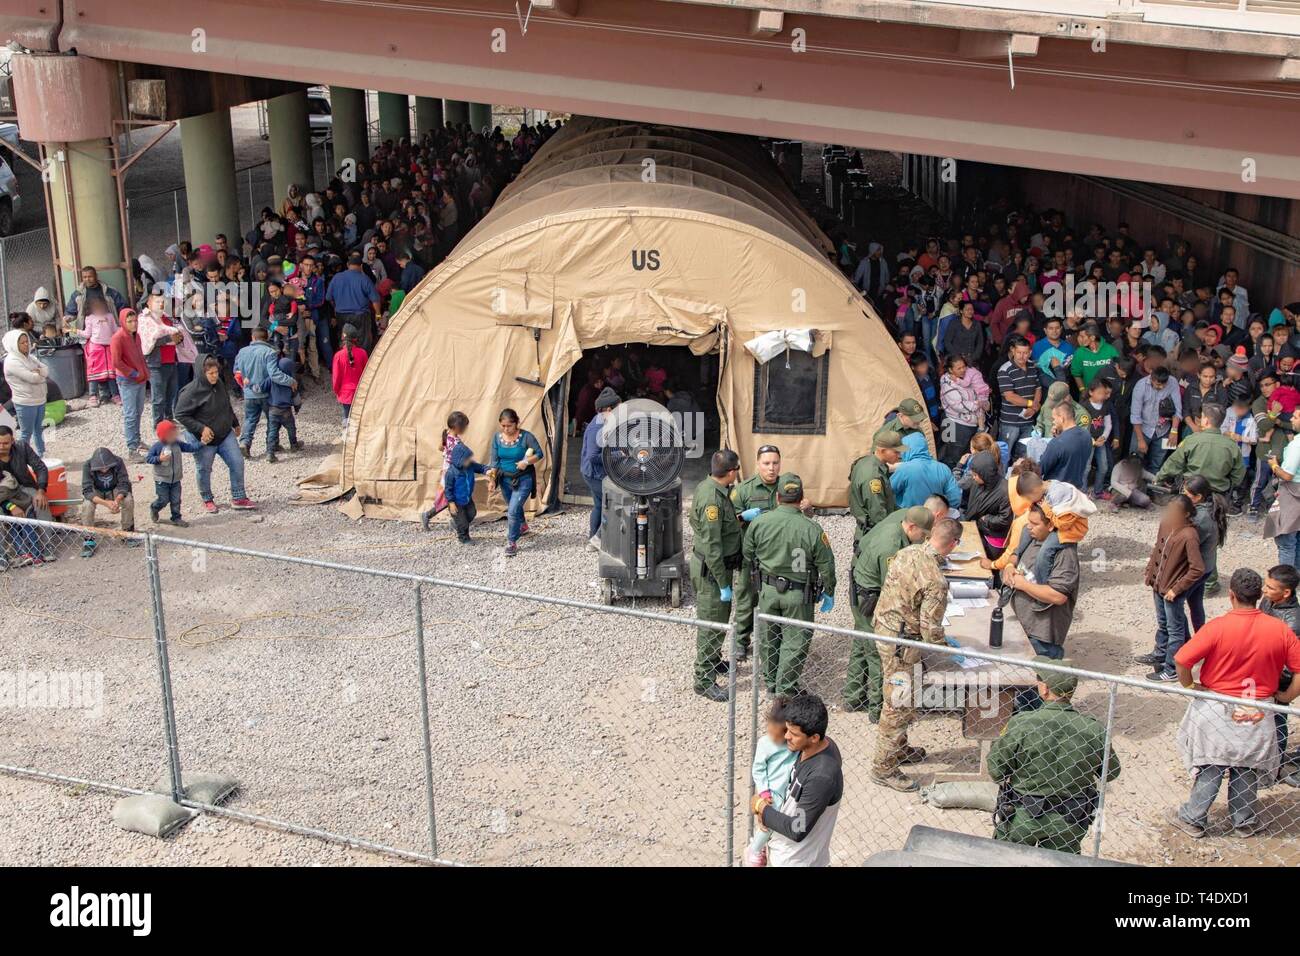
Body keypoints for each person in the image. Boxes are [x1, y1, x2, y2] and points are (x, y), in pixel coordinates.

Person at [1169, 569, 1300, 838]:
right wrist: (1286, 697)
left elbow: (1182, 660)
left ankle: (1194, 818)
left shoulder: (1217, 627)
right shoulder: (1279, 629)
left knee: (1212, 764)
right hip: (1258, 709)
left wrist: (1190, 685)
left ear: (1231, 595)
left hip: (1218, 707)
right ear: (1257, 596)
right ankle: (1244, 821)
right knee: (1246, 766)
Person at [988, 657, 1121, 854]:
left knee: (1007, 857)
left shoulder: (1023, 723)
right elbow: (1111, 772)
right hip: (1070, 819)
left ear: (1045, 689)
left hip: (1024, 815)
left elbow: (996, 770)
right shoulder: (1093, 729)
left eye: (1039, 679)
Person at [870, 518, 963, 791]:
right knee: (898, 703)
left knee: (903, 696)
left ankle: (899, 748)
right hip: (902, 644)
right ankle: (883, 768)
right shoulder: (936, 581)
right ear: (954, 544)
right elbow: (930, 629)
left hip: (885, 629)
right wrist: (947, 649)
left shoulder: (907, 551)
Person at [742, 474, 836, 696]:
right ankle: (785, 689)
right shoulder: (811, 528)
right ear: (801, 498)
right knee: (795, 640)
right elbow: (827, 565)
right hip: (798, 594)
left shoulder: (759, 523)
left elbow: (748, 553)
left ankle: (771, 683)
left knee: (769, 638)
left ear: (777, 497)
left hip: (768, 590)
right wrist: (829, 591)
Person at [843, 505, 935, 720]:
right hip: (870, 600)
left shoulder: (895, 526)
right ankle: (876, 709)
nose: (923, 540)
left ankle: (852, 696)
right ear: (912, 527)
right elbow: (893, 587)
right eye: (922, 535)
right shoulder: (891, 546)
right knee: (878, 653)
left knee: (861, 645)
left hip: (863, 593)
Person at [751, 693, 843, 868]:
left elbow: (797, 828)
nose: (786, 737)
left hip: (798, 860)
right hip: (785, 852)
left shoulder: (821, 777)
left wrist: (762, 808)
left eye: (793, 734)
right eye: (787, 730)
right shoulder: (813, 746)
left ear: (814, 737)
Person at [689, 449, 743, 702]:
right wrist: (723, 583)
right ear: (731, 472)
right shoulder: (712, 498)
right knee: (711, 624)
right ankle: (703, 679)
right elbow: (712, 546)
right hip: (712, 572)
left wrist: (741, 518)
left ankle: (712, 660)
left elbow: (721, 527)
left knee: (719, 620)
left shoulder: (709, 487)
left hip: (715, 568)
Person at [175, 356, 256, 514]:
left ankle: (239, 497)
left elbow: (225, 404)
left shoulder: (219, 384)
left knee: (237, 462)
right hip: (204, 439)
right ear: (201, 373)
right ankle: (207, 498)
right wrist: (201, 428)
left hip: (224, 433)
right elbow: (180, 414)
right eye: (210, 373)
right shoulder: (190, 392)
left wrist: (234, 422)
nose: (214, 376)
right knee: (204, 469)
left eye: (216, 372)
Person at [730, 444, 789, 660]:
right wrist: (741, 516)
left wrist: (807, 506)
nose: (771, 468)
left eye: (775, 463)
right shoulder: (744, 490)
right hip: (753, 557)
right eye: (766, 463)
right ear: (757, 464)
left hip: (781, 556)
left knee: (778, 600)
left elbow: (801, 512)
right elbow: (728, 522)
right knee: (746, 599)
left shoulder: (787, 485)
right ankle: (740, 642)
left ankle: (775, 642)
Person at [1139, 495, 1205, 681]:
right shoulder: (1166, 525)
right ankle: (1160, 654)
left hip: (1171, 592)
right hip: (1158, 586)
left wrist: (1176, 589)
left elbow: (1197, 568)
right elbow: (1157, 548)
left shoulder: (1189, 535)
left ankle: (1172, 668)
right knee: (1163, 624)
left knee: (1175, 629)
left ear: (1185, 514)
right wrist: (1149, 571)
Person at [1004, 503, 1081, 658]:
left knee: (1042, 679)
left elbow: (1058, 596)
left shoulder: (1064, 555)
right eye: (1029, 522)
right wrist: (1009, 566)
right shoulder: (1033, 537)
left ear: (1051, 525)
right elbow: (1015, 554)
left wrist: (1023, 584)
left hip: (1042, 635)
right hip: (1022, 624)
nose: (1029, 527)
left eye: (1035, 524)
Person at [744, 695, 798, 867]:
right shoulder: (765, 743)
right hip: (771, 792)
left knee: (782, 823)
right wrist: (764, 791)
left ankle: (764, 845)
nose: (774, 738)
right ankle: (754, 849)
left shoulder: (792, 744)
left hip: (788, 791)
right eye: (770, 732)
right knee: (768, 820)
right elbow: (758, 769)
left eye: (778, 735)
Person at [487, 407, 544, 557]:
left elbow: (539, 453)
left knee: (512, 510)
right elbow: (494, 462)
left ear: (516, 423)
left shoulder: (526, 437)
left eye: (509, 425)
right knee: (515, 507)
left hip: (523, 478)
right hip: (504, 479)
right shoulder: (496, 438)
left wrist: (526, 461)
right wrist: (492, 479)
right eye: (503, 425)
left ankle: (511, 542)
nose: (506, 429)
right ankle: (523, 526)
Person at [233, 327, 297, 458]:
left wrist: (245, 386)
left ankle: (245, 443)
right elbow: (274, 375)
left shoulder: (242, 351)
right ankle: (272, 446)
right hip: (267, 394)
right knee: (272, 421)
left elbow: (237, 372)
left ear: (253, 337)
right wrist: (290, 381)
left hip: (249, 393)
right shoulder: (270, 352)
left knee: (250, 419)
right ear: (266, 338)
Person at [1154, 404, 1245, 496]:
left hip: (1191, 490)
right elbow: (1238, 474)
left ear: (1206, 421)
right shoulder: (1232, 445)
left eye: (1202, 417)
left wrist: (1159, 478)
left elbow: (1173, 463)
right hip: (1218, 492)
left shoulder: (1191, 440)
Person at [0, 425, 55, 567]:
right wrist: (11, 506)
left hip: (24, 487)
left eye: (5, 443)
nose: (1, 446)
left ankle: (47, 546)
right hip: (2, 494)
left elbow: (40, 467)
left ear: (12, 440)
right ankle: (3, 556)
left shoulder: (22, 447)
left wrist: (41, 490)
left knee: (40, 503)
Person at [1183, 475, 1227, 631]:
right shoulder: (1210, 508)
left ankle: (1185, 642)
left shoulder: (1200, 518)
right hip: (1206, 568)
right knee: (1195, 604)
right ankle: (1201, 637)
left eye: (1187, 494)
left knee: (1174, 604)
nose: (1184, 497)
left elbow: (1188, 545)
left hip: (1197, 569)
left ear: (1198, 497)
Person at [78, 447, 138, 558]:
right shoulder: (87, 465)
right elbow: (87, 490)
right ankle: (88, 538)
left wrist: (117, 500)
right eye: (101, 468)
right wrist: (106, 503)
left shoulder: (118, 462)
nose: (105, 469)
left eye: (107, 467)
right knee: (87, 505)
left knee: (128, 499)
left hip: (114, 489)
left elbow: (124, 483)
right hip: (97, 491)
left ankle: (127, 531)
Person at [847, 430, 901, 550]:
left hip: (868, 529)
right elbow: (877, 513)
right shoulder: (873, 476)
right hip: (873, 533)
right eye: (896, 452)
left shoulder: (865, 462)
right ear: (882, 450)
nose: (899, 455)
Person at [581, 387, 619, 550]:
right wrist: (618, 455)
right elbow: (593, 456)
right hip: (594, 474)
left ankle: (593, 540)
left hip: (594, 473)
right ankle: (598, 538)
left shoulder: (605, 421)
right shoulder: (597, 427)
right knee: (612, 504)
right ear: (609, 409)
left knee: (598, 505)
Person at [110, 309, 149, 462]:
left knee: (138, 411)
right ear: (123, 322)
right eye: (130, 321)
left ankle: (137, 440)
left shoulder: (136, 336)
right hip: (127, 380)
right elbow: (116, 362)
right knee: (130, 414)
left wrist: (144, 373)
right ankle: (132, 449)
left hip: (140, 378)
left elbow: (139, 355)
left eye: (135, 321)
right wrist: (133, 373)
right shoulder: (117, 338)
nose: (134, 324)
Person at [145, 419, 200, 527]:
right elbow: (148, 458)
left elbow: (190, 447)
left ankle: (176, 518)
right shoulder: (157, 446)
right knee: (163, 500)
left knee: (176, 500)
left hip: (176, 479)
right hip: (162, 479)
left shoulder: (177, 444)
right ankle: (155, 507)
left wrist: (202, 443)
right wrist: (159, 458)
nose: (176, 434)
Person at [2, 329, 48, 456]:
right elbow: (32, 378)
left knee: (39, 429)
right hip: (25, 402)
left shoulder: (30, 358)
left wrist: (39, 373)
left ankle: (40, 455)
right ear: (14, 344)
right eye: (22, 343)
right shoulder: (11, 361)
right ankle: (21, 458)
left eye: (26, 341)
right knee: (26, 432)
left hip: (39, 399)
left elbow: (46, 370)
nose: (26, 344)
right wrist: (39, 374)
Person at [937, 355, 988, 467]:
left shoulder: (968, 377)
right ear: (950, 369)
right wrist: (976, 404)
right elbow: (958, 405)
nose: (962, 370)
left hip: (971, 424)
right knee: (953, 454)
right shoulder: (947, 383)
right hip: (954, 424)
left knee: (966, 454)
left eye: (964, 367)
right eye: (958, 368)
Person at [1130, 365, 1182, 474]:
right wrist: (1140, 440)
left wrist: (1174, 431)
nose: (1162, 387)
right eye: (1158, 384)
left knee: (1157, 463)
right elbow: (1135, 416)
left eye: (1164, 384)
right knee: (1134, 462)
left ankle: (1152, 488)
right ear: (1151, 379)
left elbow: (1178, 409)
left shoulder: (1172, 382)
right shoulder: (1140, 386)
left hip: (1164, 430)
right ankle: (1134, 487)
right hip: (1143, 430)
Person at [891, 432, 963, 510]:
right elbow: (955, 497)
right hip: (934, 517)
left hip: (909, 517)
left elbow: (888, 492)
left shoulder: (904, 469)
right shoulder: (943, 468)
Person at [996, 335, 1042, 458]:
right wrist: (1032, 404)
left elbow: (1038, 388)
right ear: (1013, 351)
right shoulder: (1005, 370)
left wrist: (1034, 407)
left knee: (1025, 456)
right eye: (1019, 352)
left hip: (1028, 420)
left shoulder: (1032, 366)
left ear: (1030, 352)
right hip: (1010, 422)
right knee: (1004, 455)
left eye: (1025, 353)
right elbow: (1010, 396)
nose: (1022, 356)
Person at [326, 252, 382, 351]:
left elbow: (328, 297)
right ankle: (362, 364)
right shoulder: (364, 279)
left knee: (345, 341)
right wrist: (378, 314)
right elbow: (375, 300)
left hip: (341, 316)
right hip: (360, 316)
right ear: (361, 266)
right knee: (362, 342)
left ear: (347, 265)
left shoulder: (336, 278)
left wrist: (336, 307)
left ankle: (347, 363)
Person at [963, 449, 1013, 559]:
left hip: (992, 537)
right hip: (975, 530)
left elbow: (1005, 519)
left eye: (976, 475)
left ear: (985, 474)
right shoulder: (978, 483)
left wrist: (986, 519)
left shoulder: (1005, 490)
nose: (973, 477)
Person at [1039, 400, 1093, 490]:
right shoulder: (1087, 435)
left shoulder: (1057, 443)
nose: (1053, 422)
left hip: (1056, 491)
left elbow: (1041, 469)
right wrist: (1059, 435)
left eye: (1054, 418)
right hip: (1076, 488)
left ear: (1061, 418)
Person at [443, 442, 489, 544]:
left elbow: (480, 467)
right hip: (456, 502)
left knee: (472, 513)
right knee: (463, 522)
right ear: (459, 460)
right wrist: (451, 503)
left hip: (467, 498)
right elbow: (448, 489)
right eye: (466, 459)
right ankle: (464, 538)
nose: (469, 460)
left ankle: (458, 523)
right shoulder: (451, 472)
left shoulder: (470, 466)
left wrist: (487, 470)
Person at [265, 350, 303, 463]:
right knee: (291, 428)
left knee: (272, 431)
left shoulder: (271, 379)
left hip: (272, 410)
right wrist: (297, 408)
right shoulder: (291, 382)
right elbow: (296, 397)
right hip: (286, 411)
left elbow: (261, 387)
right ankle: (294, 445)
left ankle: (270, 453)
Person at [331, 324, 368, 429]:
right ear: (356, 339)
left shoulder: (338, 356)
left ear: (343, 337)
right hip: (360, 391)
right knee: (360, 419)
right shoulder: (363, 353)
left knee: (347, 418)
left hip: (345, 393)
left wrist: (337, 391)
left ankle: (347, 438)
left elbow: (336, 377)